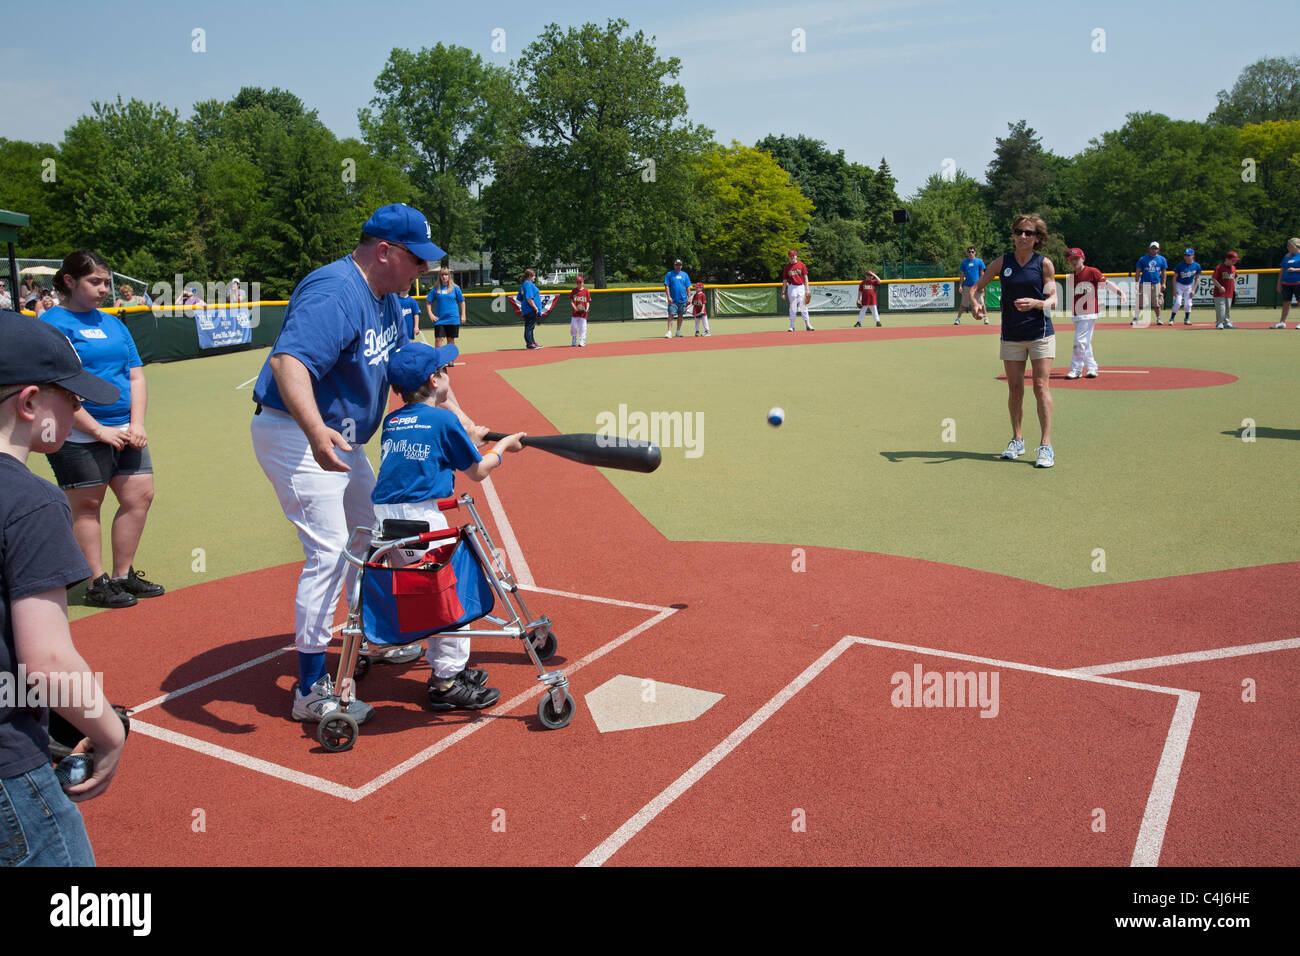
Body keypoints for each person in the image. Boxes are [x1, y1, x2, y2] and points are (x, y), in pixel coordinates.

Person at [250, 203, 442, 723]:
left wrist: (459, 421)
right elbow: (288, 362)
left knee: (370, 532)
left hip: (342, 438)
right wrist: (315, 432)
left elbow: (409, 369)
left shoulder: (385, 297)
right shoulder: (336, 291)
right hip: (296, 432)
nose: (422, 270)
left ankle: (367, 640)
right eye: (416, 260)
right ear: (384, 251)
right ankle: (310, 691)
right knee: (330, 551)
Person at [0, 309, 128, 865]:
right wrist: (107, 734)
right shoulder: (30, 500)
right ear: (29, 403)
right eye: (69, 396)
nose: (79, 408)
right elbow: (48, 662)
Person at [373, 342, 525, 710]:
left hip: (385, 516)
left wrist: (470, 442)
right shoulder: (443, 420)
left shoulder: (393, 421)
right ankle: (445, 682)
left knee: (422, 591)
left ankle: (446, 668)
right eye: (443, 372)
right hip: (420, 518)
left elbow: (429, 455)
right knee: (447, 594)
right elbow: (477, 472)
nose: (446, 376)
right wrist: (502, 446)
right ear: (433, 380)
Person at [40, 251, 164, 609]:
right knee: (88, 506)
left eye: (107, 282)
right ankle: (97, 582)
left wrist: (136, 423)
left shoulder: (114, 323)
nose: (104, 289)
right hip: (78, 434)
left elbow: (135, 374)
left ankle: (123, 575)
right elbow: (56, 387)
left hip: (125, 429)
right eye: (95, 282)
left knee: (139, 496)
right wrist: (97, 431)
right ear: (69, 281)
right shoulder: (53, 325)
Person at [971, 214, 1058, 469]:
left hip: (1040, 333)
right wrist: (976, 305)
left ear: (1037, 238)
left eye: (1028, 233)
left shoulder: (1044, 264)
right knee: (1015, 390)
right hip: (1011, 335)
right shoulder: (1002, 262)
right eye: (1019, 231)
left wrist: (1038, 303)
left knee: (1040, 387)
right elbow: (976, 288)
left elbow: (1053, 299)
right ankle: (1017, 439)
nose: (1022, 236)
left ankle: (1045, 445)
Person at [1064, 248, 1126, 379]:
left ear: (1083, 258)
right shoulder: (1072, 277)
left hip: (1089, 312)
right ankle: (1092, 368)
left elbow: (1107, 283)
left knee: (1079, 341)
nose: (1074, 262)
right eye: (1071, 260)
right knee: (1085, 342)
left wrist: (1121, 293)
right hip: (1077, 313)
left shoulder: (1092, 271)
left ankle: (1076, 369)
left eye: (1076, 259)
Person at [1132, 241, 1168, 326]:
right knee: (1141, 302)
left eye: (1155, 248)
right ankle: (1136, 318)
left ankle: (1158, 318)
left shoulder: (1162, 259)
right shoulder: (1143, 259)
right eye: (1152, 248)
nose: (1153, 250)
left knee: (1156, 302)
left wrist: (1164, 283)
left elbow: (1164, 272)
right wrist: (1137, 283)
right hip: (1144, 283)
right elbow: (1137, 271)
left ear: (1158, 249)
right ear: (1149, 248)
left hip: (1156, 283)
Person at [427, 268, 465, 348]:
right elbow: (428, 302)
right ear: (440, 276)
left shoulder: (456, 288)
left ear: (449, 276)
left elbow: (462, 301)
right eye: (442, 275)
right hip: (440, 319)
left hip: (452, 318)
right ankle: (439, 359)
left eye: (446, 275)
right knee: (438, 339)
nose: (444, 277)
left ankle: (450, 360)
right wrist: (431, 314)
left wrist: (463, 315)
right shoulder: (435, 289)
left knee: (450, 340)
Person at [1270, 237, 1300, 329]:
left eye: (1289, 245)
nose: (1288, 247)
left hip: (1298, 283)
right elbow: (1282, 270)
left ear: (1296, 246)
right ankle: (1282, 322)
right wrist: (1279, 283)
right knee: (1286, 303)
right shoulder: (1287, 256)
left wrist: (1295, 269)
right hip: (1286, 283)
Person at [781, 249, 814, 332]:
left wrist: (807, 289)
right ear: (788, 257)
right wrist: (783, 292)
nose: (792, 257)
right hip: (792, 287)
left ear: (796, 256)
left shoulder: (801, 265)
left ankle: (808, 324)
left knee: (803, 306)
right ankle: (792, 326)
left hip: (801, 287)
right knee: (793, 307)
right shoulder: (787, 267)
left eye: (793, 255)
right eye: (790, 256)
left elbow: (806, 277)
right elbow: (784, 280)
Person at [1170, 249, 1201, 325]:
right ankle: (1172, 319)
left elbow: (1197, 278)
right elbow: (1174, 277)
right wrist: (1174, 289)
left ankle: (1187, 319)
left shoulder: (1197, 265)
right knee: (1178, 303)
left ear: (1193, 256)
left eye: (1189, 255)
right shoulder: (1180, 265)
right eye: (1186, 255)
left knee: (1188, 303)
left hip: (1189, 286)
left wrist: (1193, 290)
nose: (1187, 257)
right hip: (1179, 285)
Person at [956, 247, 986, 325]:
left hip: (977, 286)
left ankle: (986, 318)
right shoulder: (964, 263)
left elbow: (982, 274)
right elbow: (962, 275)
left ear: (975, 252)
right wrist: (960, 286)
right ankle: (958, 319)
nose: (971, 253)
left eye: (972, 251)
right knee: (963, 304)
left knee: (982, 304)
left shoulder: (979, 261)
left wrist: (982, 286)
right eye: (969, 252)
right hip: (967, 286)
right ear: (967, 253)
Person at [663, 260, 691, 338]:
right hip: (673, 299)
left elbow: (688, 287)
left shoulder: (685, 275)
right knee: (671, 315)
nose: (678, 266)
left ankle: (678, 331)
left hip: (683, 299)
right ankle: (669, 332)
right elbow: (667, 286)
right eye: (677, 265)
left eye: (679, 265)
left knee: (680, 315)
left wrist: (689, 298)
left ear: (681, 266)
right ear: (674, 265)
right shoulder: (669, 274)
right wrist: (668, 296)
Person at [1212, 251, 1240, 330]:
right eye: (1233, 260)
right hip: (1219, 293)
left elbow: (1234, 278)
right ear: (1227, 259)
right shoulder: (1220, 267)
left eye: (1235, 260)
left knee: (1227, 309)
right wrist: (1220, 287)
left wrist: (1235, 289)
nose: (1234, 262)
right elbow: (1213, 278)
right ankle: (1220, 323)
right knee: (1221, 308)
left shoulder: (1233, 268)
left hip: (1230, 292)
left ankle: (1227, 322)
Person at [518, 268, 543, 350]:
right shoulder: (528, 284)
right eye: (533, 276)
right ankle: (530, 344)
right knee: (529, 327)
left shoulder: (523, 284)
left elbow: (520, 298)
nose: (534, 278)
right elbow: (529, 298)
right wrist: (535, 307)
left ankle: (532, 342)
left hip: (527, 309)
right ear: (529, 276)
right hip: (530, 309)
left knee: (530, 327)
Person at [569, 274, 591, 346]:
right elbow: (571, 301)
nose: (579, 284)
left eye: (580, 282)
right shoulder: (574, 290)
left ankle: (582, 340)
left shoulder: (586, 291)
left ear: (583, 282)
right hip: (575, 312)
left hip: (583, 313)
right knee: (573, 327)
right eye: (577, 282)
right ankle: (574, 337)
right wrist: (575, 308)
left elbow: (587, 302)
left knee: (583, 327)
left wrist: (587, 309)